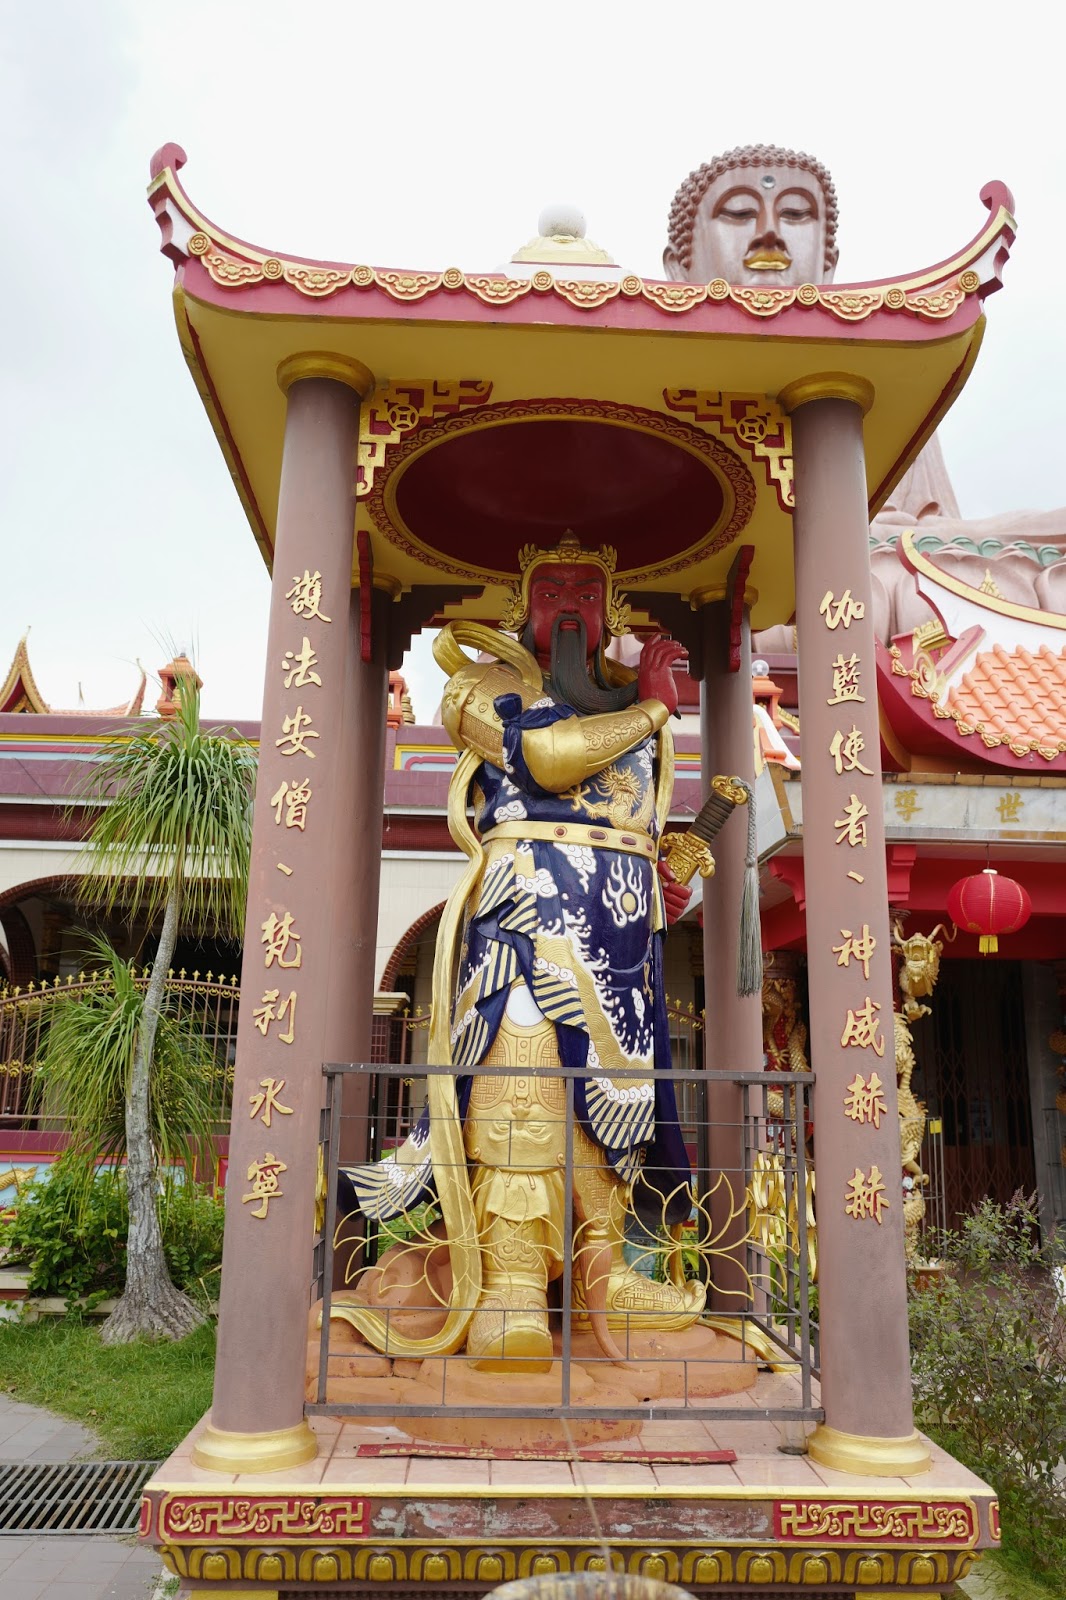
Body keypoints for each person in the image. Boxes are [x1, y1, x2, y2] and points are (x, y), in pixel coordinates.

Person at [342, 536, 707, 1370]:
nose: (570, 603)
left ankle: (604, 1271)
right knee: (525, 1069)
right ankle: (509, 1286)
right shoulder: (485, 687)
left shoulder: (630, 702)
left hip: (621, 928)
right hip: (530, 906)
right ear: (522, 608)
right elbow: (545, 759)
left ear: (610, 611)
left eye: (587, 591)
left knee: (615, 1094)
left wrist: (657, 885)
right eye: (552, 591)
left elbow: (635, 819)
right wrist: (654, 709)